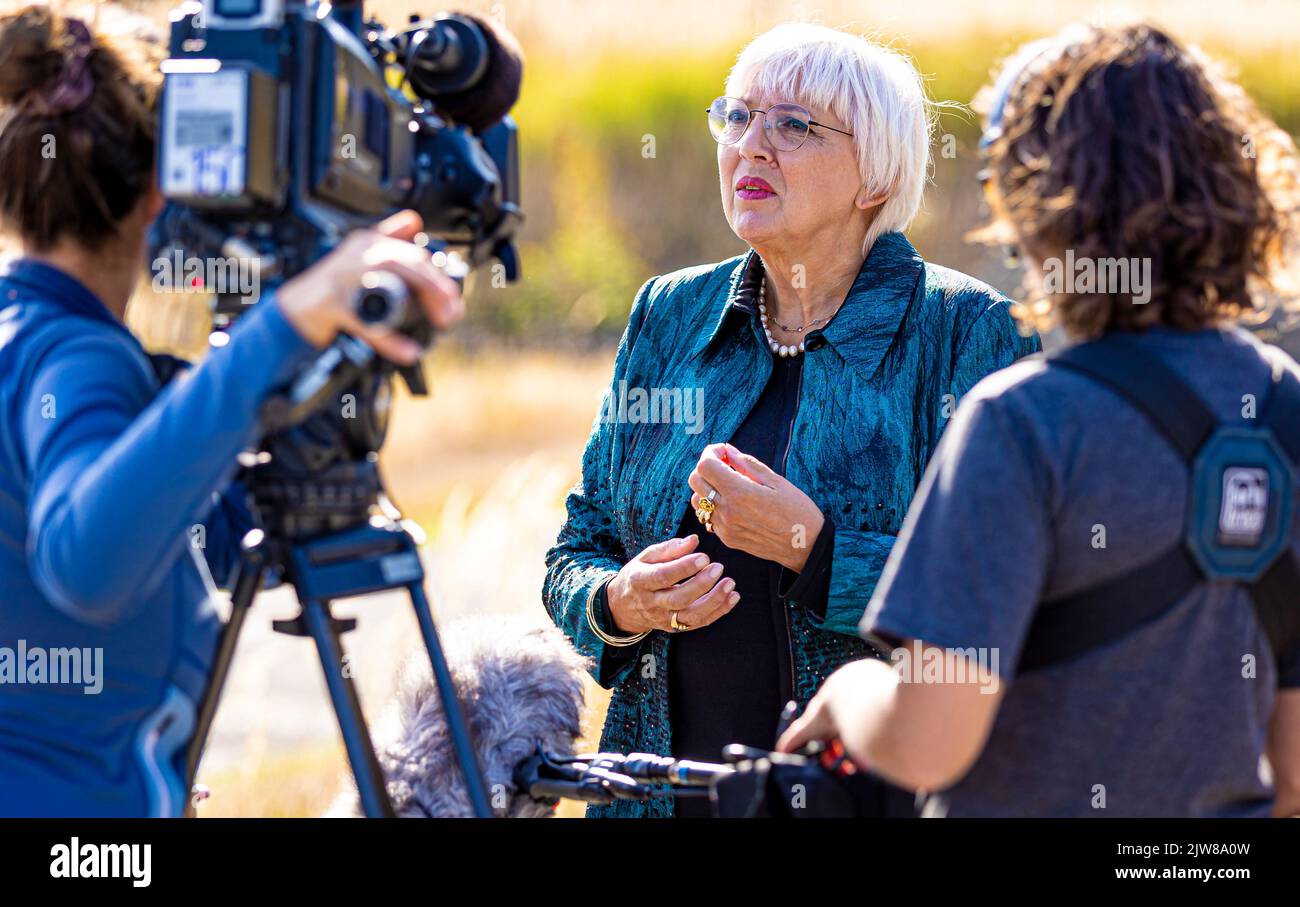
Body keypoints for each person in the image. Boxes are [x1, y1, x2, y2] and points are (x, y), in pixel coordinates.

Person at [778, 22, 1300, 818]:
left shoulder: (1020, 423)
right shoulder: (1285, 405)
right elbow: (1292, 775)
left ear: (1037, 207)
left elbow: (928, 743)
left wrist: (850, 689)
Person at [543, 22, 1039, 818]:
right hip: (657, 798)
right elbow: (576, 548)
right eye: (737, 117)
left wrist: (818, 551)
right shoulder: (667, 312)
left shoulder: (968, 330)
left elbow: (1003, 601)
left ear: (874, 176)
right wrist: (619, 603)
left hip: (866, 799)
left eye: (794, 126)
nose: (751, 145)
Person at [0, 4, 462, 817]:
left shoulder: (27, 333)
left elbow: (183, 525)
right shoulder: (77, 356)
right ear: (163, 190)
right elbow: (87, 560)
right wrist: (283, 326)